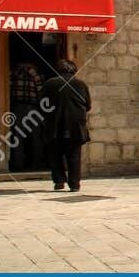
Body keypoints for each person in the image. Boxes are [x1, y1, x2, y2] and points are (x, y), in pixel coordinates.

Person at [39, 58, 91, 193]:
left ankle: (59, 181)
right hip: (75, 125)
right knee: (74, 155)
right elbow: (88, 105)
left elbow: (41, 104)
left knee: (55, 154)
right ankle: (74, 184)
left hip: (54, 124)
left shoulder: (50, 84)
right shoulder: (81, 84)